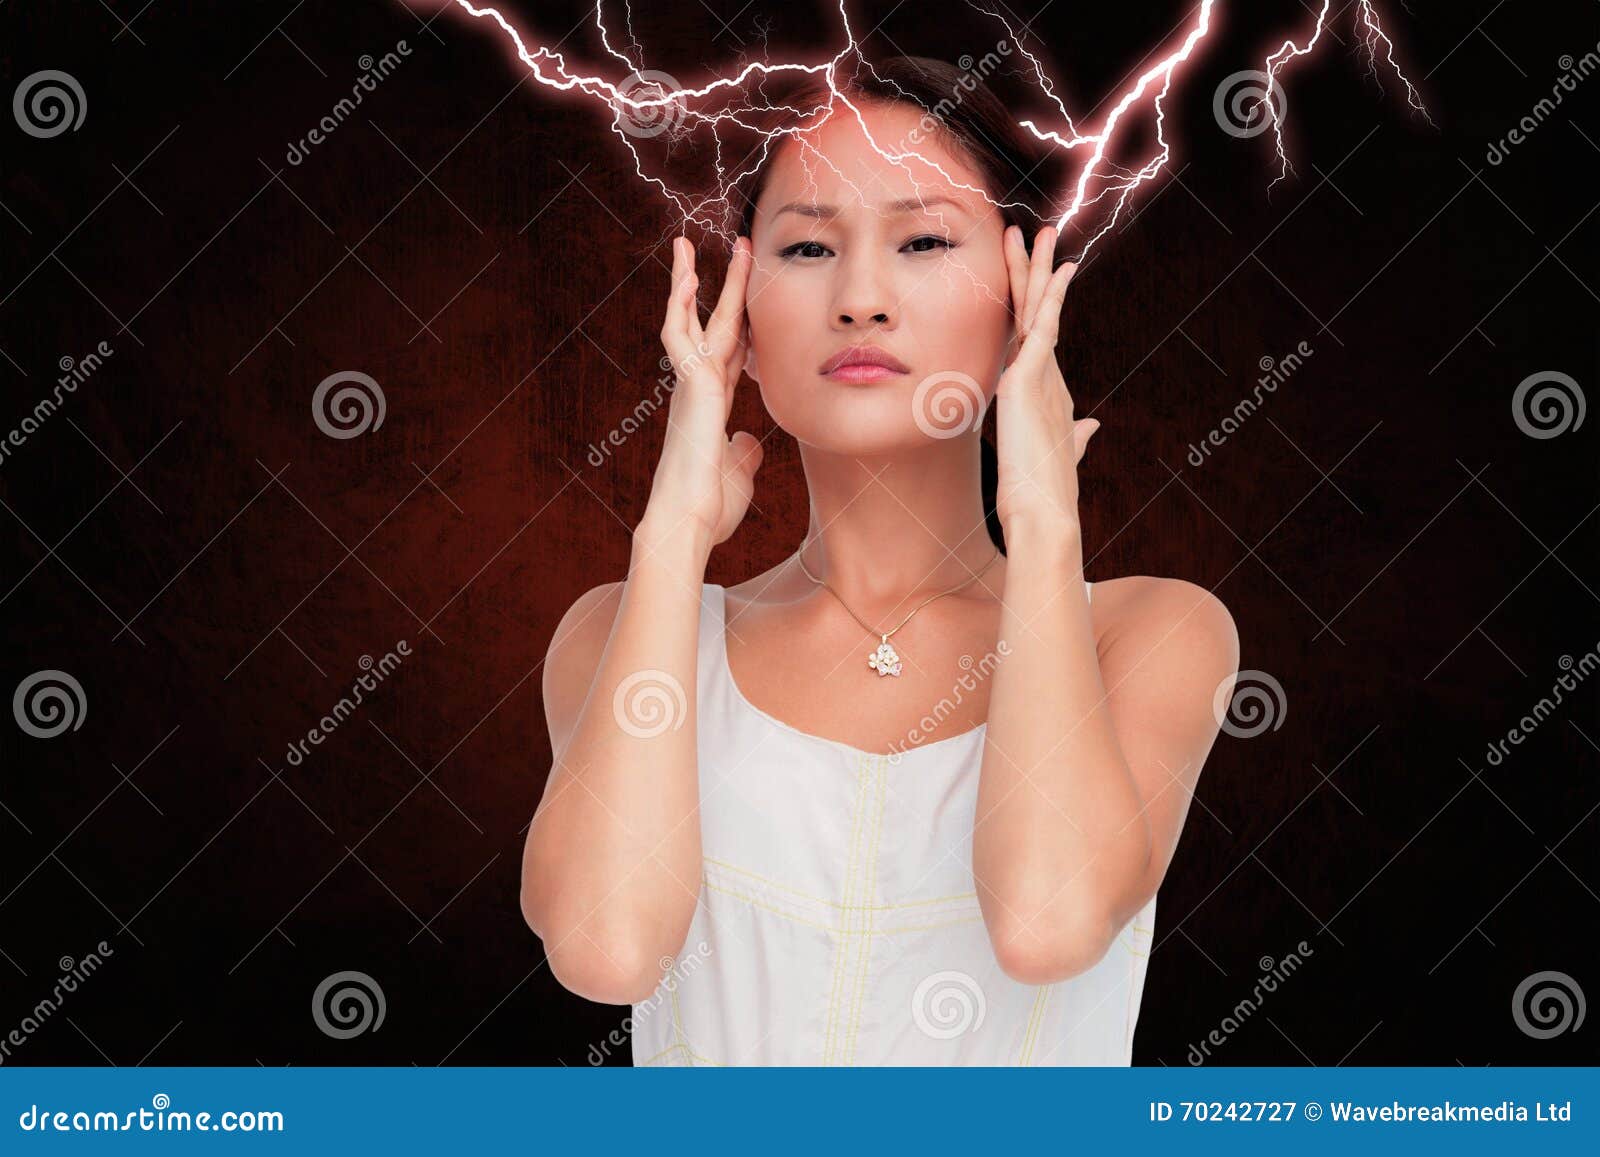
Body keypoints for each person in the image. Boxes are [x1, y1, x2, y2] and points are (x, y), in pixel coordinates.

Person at [524, 56, 1240, 1065]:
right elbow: (608, 950)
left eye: (923, 241)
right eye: (808, 246)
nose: (860, 297)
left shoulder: (1149, 632)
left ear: (1019, 300)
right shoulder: (620, 632)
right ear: (743, 325)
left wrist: (1042, 520)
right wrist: (672, 533)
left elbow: (1046, 921)